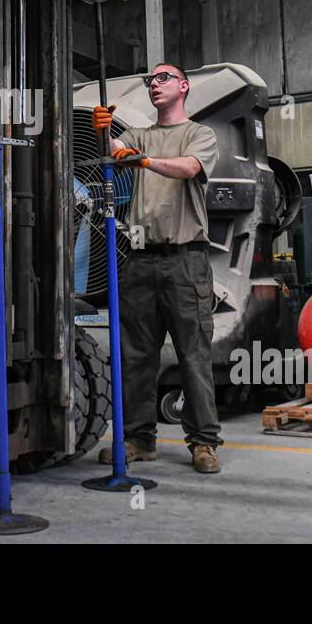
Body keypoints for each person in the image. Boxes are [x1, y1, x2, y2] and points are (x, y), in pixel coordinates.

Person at [91, 62, 223, 474]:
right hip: (140, 260)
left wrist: (146, 162)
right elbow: (113, 153)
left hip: (186, 261)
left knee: (193, 356)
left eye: (163, 77)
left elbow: (188, 168)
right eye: (150, 80)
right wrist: (101, 132)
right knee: (136, 356)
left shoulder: (199, 134)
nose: (154, 84)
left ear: (184, 86)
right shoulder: (137, 135)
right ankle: (138, 440)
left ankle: (203, 443)